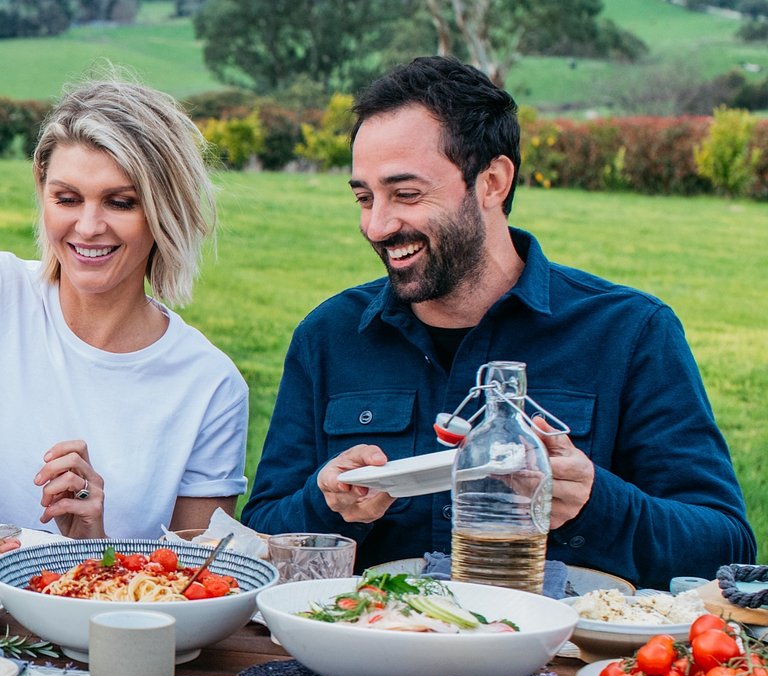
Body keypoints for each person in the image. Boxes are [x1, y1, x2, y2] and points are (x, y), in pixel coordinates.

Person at [242, 56, 755, 588]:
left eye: (406, 194)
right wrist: (325, 504)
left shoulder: (630, 332)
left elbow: (725, 547)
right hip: (368, 632)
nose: (377, 225)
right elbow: (259, 538)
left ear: (492, 182)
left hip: (561, 638)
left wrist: (595, 504)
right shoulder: (328, 337)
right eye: (364, 198)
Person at [0, 78, 248, 556]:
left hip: (89, 607)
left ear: (166, 209)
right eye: (67, 198)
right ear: (42, 191)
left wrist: (92, 546)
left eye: (120, 202)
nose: (88, 226)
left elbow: (196, 577)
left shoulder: (210, 385)